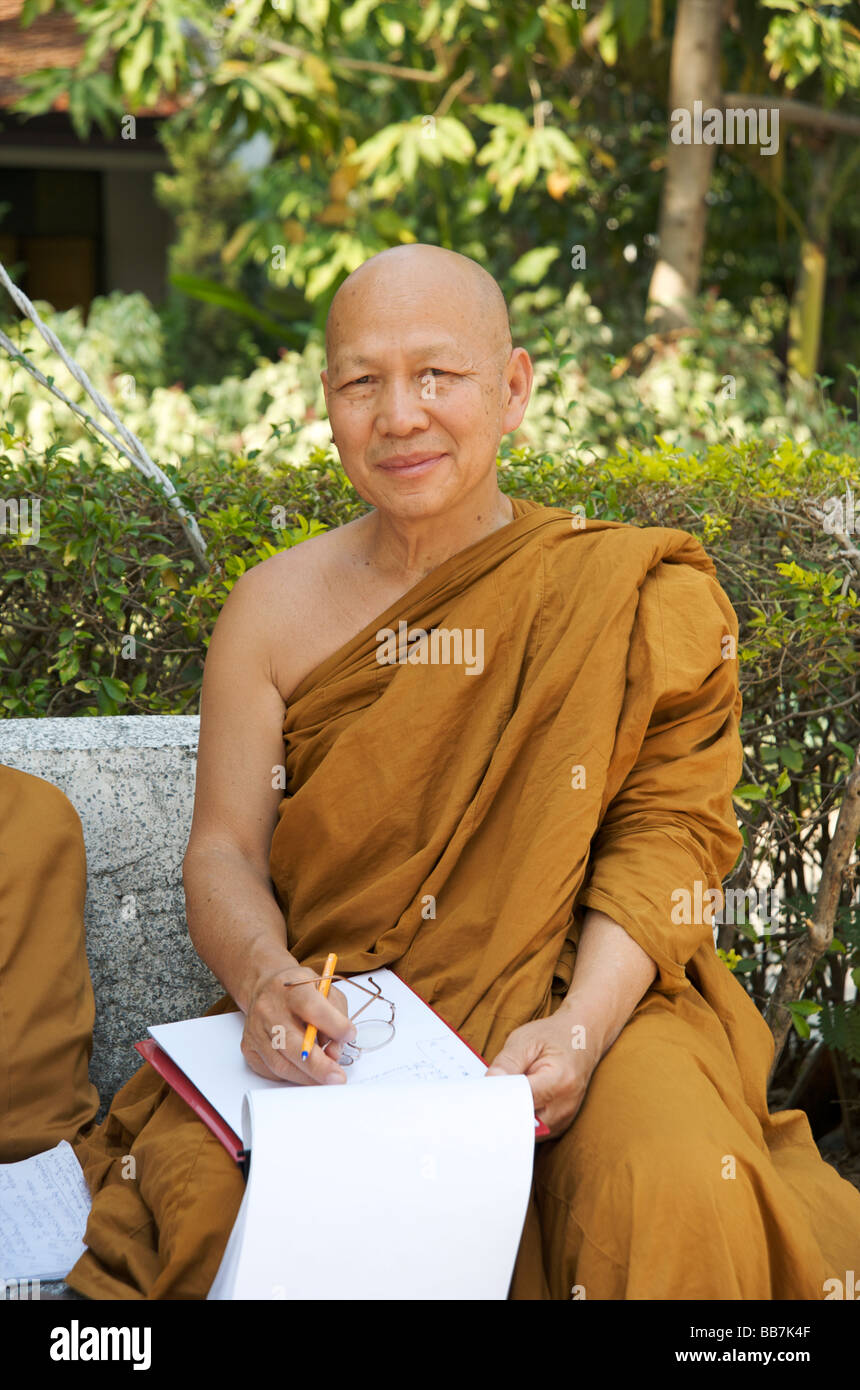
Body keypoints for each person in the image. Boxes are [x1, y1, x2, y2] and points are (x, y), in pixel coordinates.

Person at [13, 243, 859, 1299]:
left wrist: (581, 1031)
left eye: (436, 376)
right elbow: (226, 849)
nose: (399, 415)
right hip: (350, 1016)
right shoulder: (270, 612)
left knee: (668, 1178)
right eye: (362, 381)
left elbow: (664, 846)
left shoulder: (622, 588)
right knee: (206, 1210)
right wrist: (267, 982)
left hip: (595, 995)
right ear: (328, 403)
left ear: (511, 391)